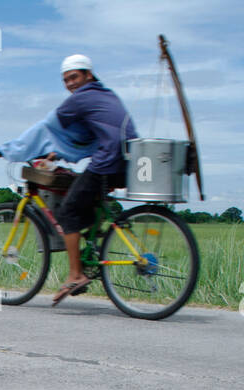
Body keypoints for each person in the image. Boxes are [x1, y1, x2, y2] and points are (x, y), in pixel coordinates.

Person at [48, 54, 138, 303]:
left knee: (67, 213)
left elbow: (53, 125)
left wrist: (30, 149)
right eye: (66, 80)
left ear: (89, 75)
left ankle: (75, 275)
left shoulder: (82, 98)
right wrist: (62, 152)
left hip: (108, 161)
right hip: (127, 161)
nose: (70, 84)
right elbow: (90, 134)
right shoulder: (106, 94)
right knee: (86, 207)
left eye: (74, 77)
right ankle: (91, 253)